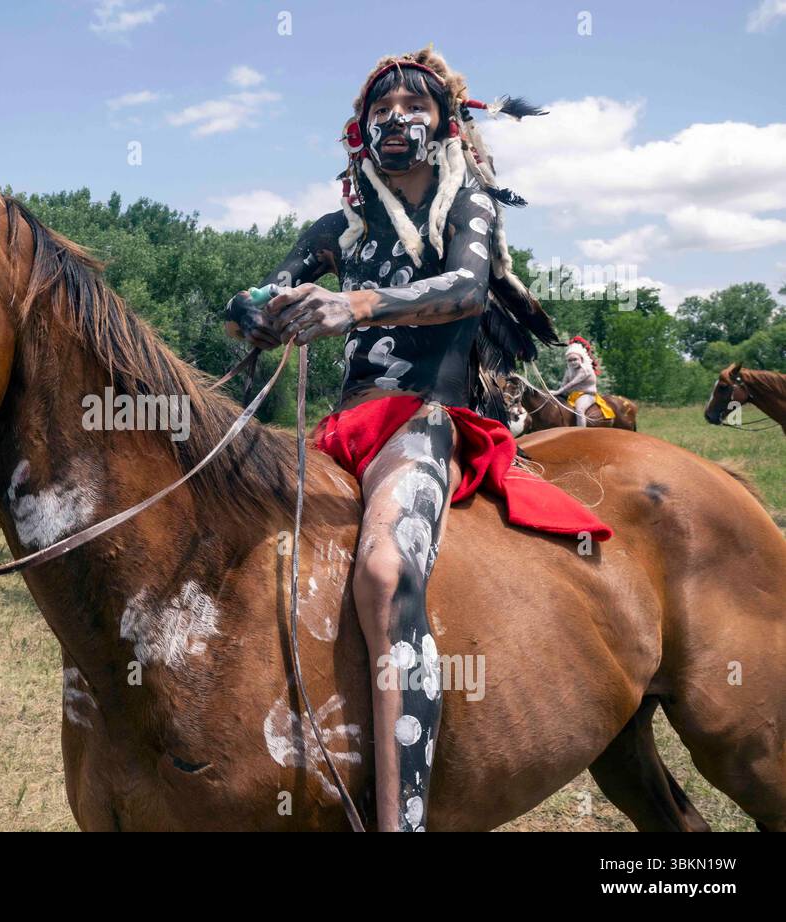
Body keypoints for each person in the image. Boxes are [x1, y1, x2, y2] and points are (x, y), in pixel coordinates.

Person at [224, 47, 611, 831]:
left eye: (415, 105)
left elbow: (466, 289)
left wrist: (352, 305)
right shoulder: (337, 226)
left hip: (425, 421)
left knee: (387, 563)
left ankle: (404, 821)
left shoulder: (468, 207)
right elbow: (254, 296)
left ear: (446, 125)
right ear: (359, 131)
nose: (395, 116)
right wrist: (263, 308)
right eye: (381, 107)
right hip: (338, 431)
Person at [552, 336, 601, 427]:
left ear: (581, 359)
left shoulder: (585, 370)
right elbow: (564, 384)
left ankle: (581, 433)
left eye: (575, 359)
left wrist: (558, 392)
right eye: (570, 360)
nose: (572, 362)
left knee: (579, 410)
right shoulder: (569, 370)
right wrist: (556, 394)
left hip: (587, 395)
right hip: (572, 395)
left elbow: (572, 383)